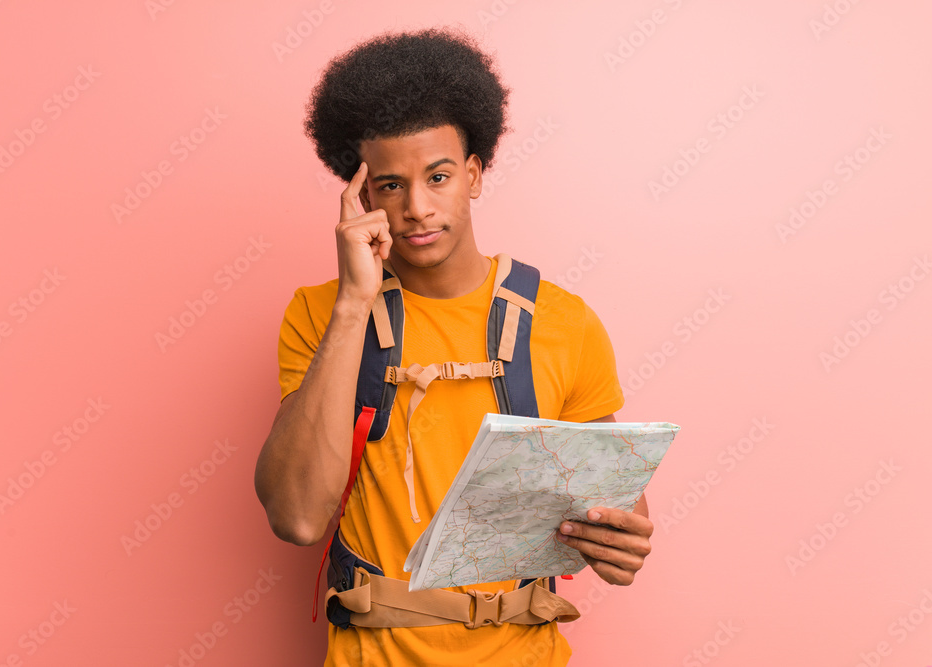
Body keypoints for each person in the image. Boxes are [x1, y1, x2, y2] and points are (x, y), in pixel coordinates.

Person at [254, 27, 655, 666]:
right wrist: (355, 303)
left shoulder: (564, 322)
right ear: (360, 195)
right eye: (390, 186)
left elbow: (615, 513)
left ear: (471, 173)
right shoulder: (321, 315)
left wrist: (620, 542)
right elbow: (297, 519)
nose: (416, 207)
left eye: (438, 176)